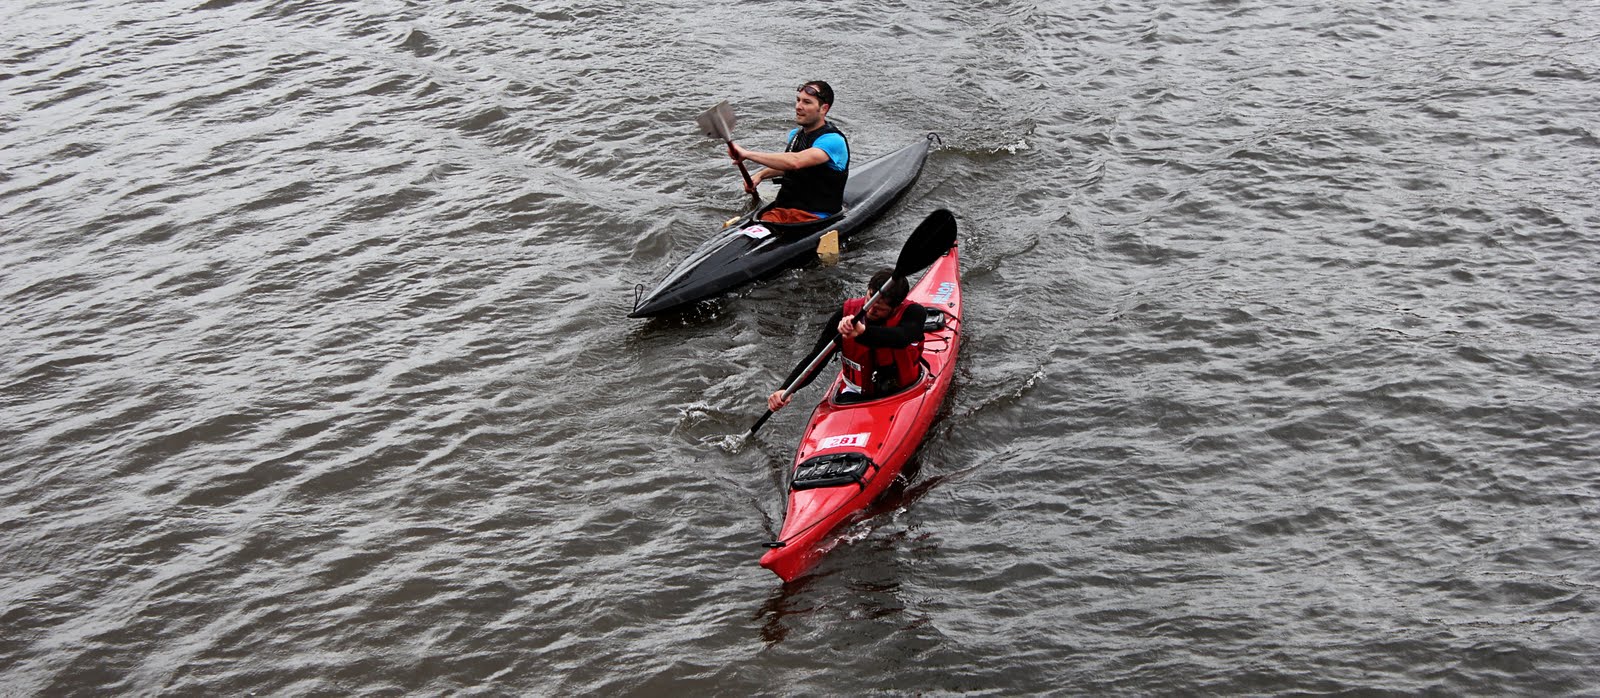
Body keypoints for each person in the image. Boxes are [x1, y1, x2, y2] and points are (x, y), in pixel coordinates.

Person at [767, 269, 926, 412]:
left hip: (902, 390)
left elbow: (902, 337)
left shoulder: (913, 313)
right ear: (868, 290)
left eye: (879, 309)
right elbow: (817, 358)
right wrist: (787, 389)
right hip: (855, 393)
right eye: (870, 297)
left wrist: (863, 332)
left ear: (896, 306)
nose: (871, 309)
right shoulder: (844, 315)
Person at [729, 80, 850, 224]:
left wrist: (747, 154)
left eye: (807, 102)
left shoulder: (833, 141)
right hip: (784, 211)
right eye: (798, 100)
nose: (799, 107)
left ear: (823, 109)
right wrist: (760, 175)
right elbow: (786, 166)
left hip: (816, 217)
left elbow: (795, 162)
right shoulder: (796, 135)